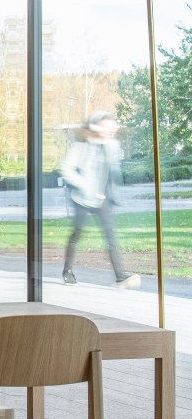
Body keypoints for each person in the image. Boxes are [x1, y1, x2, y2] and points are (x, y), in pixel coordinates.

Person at [59, 112, 140, 288]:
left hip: (100, 198)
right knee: (77, 232)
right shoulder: (81, 147)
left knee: (110, 235)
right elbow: (66, 169)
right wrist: (84, 184)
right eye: (108, 125)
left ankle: (120, 277)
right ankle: (67, 271)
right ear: (97, 127)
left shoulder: (112, 145)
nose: (112, 129)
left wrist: (114, 195)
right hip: (81, 198)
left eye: (113, 125)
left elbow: (113, 173)